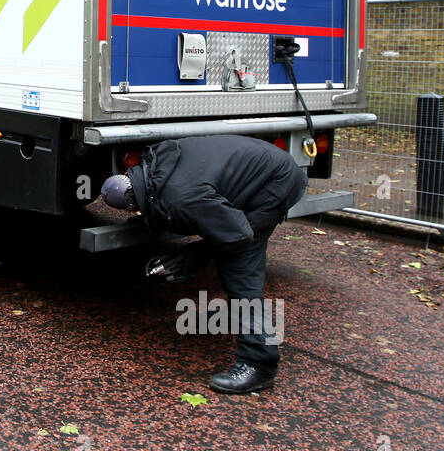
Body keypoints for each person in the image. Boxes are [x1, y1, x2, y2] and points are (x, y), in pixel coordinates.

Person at [101, 135, 306, 395]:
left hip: (276, 183)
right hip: (262, 166)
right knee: (228, 253)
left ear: (132, 206)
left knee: (240, 271)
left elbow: (239, 235)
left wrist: (190, 258)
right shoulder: (154, 163)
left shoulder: (182, 196)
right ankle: (240, 322)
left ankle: (258, 364)